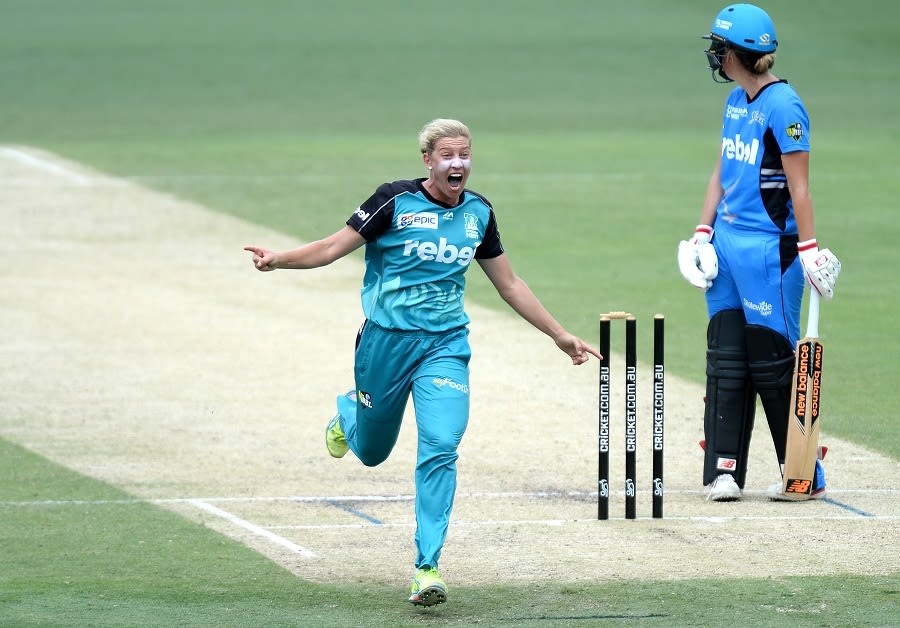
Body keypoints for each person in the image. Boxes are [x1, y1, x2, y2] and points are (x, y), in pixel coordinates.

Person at [244, 118, 601, 606]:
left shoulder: (478, 212)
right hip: (385, 344)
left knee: (441, 446)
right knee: (372, 452)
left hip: (445, 348)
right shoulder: (394, 201)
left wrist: (560, 336)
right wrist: (277, 259)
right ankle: (350, 413)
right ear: (428, 161)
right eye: (447, 156)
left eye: (465, 155)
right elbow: (331, 248)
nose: (458, 164)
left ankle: (427, 566)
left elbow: (510, 284)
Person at [677, 4, 841, 502]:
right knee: (726, 352)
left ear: (737, 54)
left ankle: (803, 473)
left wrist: (809, 250)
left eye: (719, 48)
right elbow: (721, 170)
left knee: (771, 360)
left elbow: (801, 187)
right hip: (727, 243)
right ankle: (724, 470)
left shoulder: (784, 107)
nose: (714, 55)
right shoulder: (735, 100)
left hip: (772, 249)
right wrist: (702, 231)